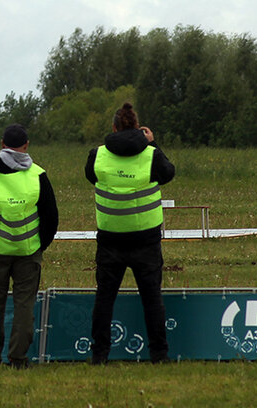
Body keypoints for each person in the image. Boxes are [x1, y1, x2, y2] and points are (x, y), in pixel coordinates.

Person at [85, 102, 175, 364]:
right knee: (152, 300)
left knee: (104, 300)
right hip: (146, 240)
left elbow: (91, 177)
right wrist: (153, 143)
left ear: (113, 127)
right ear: (139, 128)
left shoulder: (97, 156)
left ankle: (99, 355)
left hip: (110, 238)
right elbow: (168, 173)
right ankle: (159, 354)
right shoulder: (151, 155)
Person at [0, 123, 59, 368]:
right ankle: (18, 359)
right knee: (24, 306)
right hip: (29, 252)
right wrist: (41, 245)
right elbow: (51, 216)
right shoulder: (38, 175)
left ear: (2, 144)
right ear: (26, 145)